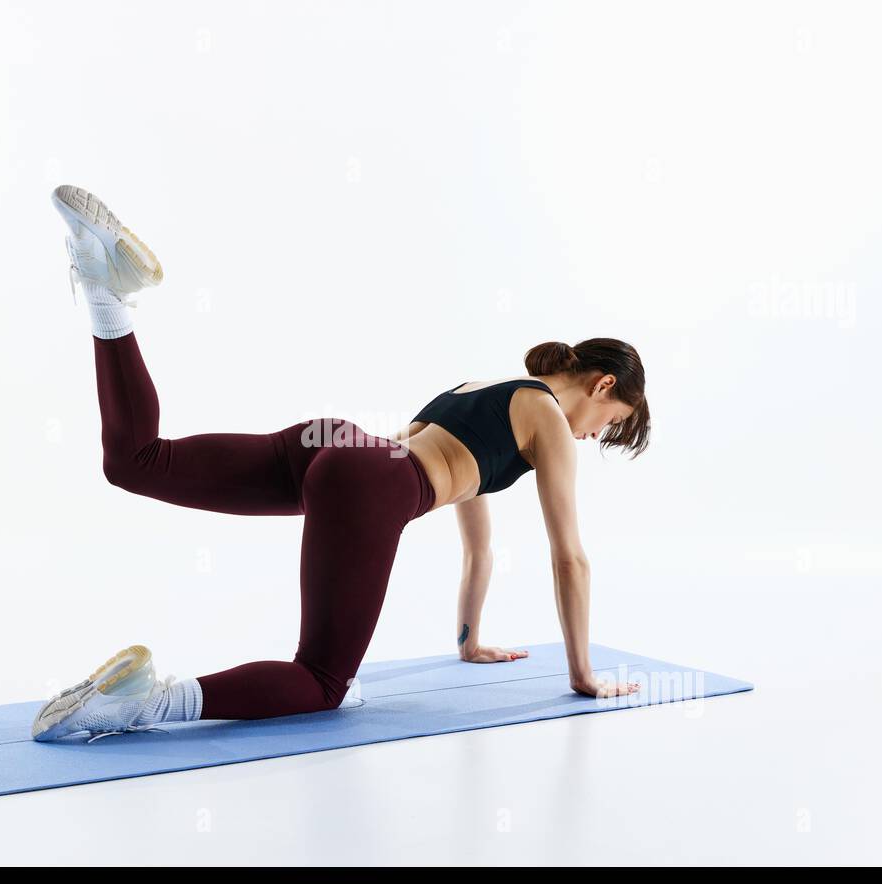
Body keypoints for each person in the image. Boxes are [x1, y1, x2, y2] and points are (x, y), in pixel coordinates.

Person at [32, 186, 650, 744]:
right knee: (324, 682)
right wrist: (583, 676)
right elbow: (570, 557)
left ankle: (103, 291)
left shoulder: (489, 387)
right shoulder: (549, 422)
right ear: (600, 387)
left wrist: (469, 643)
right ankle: (142, 702)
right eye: (613, 422)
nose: (597, 435)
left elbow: (477, 546)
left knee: (138, 461)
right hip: (372, 480)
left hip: (333, 445)